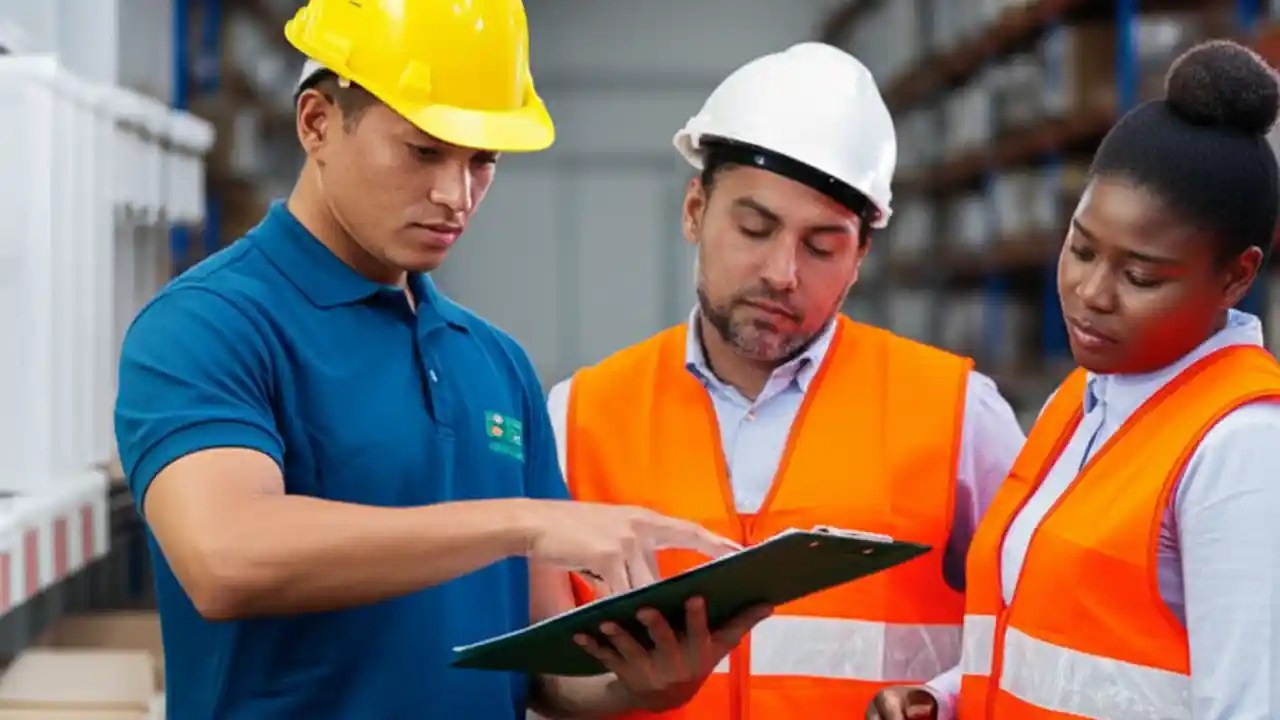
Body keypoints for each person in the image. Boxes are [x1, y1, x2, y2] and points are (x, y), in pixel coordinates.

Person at [112, 2, 769, 718]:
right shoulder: (208, 325)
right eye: (424, 151)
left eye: (481, 160)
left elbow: (542, 668)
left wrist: (644, 684)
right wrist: (517, 521)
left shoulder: (492, 363)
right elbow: (225, 557)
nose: (455, 196)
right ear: (317, 123)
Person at [544, 42, 1027, 718]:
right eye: (754, 227)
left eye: (822, 245)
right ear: (694, 212)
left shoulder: (956, 414)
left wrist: (940, 698)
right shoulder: (579, 418)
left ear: (860, 256)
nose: (782, 272)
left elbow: (1030, 626)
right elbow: (539, 677)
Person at [868, 39, 1280, 720]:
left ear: (1237, 275)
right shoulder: (1084, 398)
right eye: (1080, 247)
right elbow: (1053, 634)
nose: (1091, 292)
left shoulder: (1240, 448)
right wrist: (945, 696)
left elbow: (1248, 704)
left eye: (1140, 276)